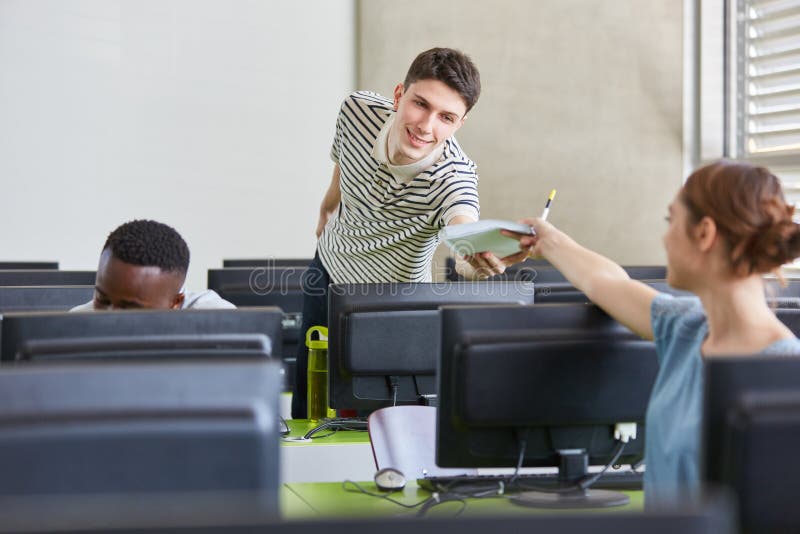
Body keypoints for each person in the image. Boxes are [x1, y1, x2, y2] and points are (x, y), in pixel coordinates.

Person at [505, 160, 800, 505]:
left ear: (704, 233)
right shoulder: (684, 327)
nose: (664, 236)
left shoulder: (787, 374)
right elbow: (607, 282)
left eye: (670, 220)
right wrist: (548, 241)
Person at [293, 47, 528, 418]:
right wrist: (328, 204)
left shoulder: (455, 177)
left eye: (446, 117)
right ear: (399, 95)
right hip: (329, 272)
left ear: (459, 123)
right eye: (421, 104)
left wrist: (476, 260)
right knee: (309, 408)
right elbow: (343, 160)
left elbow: (462, 227)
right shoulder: (357, 111)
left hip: (392, 304)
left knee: (377, 426)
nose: (426, 126)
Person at [72, 219, 235, 311]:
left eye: (131, 309)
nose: (110, 316)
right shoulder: (75, 323)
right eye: (103, 299)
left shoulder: (215, 320)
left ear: (175, 303)